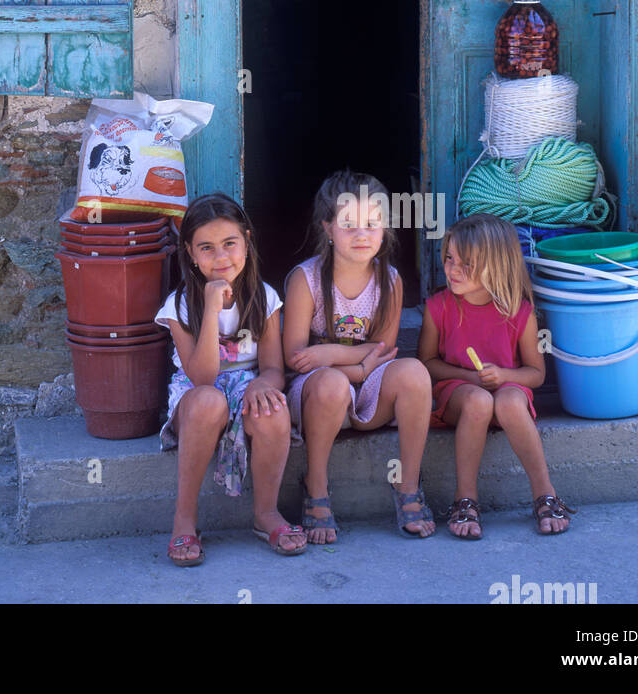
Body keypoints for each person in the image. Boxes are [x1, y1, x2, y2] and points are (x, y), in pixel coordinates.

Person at [283, 169, 436, 541]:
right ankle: (316, 487)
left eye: (372, 223)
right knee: (332, 383)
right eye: (349, 224)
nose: (362, 234)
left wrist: (333, 353)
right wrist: (360, 361)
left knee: (414, 372)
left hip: (367, 390)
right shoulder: (306, 280)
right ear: (327, 229)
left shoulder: (391, 281)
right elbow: (296, 358)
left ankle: (408, 486)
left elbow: (382, 353)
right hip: (317, 395)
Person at [156, 192, 306, 565]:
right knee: (210, 400)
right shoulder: (178, 305)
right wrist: (209, 307)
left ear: (247, 242)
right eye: (206, 248)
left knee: (272, 407)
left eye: (229, 244)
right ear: (190, 253)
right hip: (196, 392)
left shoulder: (264, 298)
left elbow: (274, 369)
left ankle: (266, 513)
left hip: (245, 384)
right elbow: (203, 377)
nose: (221, 258)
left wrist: (262, 384)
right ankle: (184, 520)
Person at [418, 213, 576, 538]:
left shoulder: (519, 313)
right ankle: (465, 500)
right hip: (459, 395)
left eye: (467, 263)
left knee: (510, 401)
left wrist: (504, 375)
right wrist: (472, 378)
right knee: (478, 401)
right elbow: (427, 364)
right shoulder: (439, 307)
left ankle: (545, 493)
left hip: (507, 392)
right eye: (449, 258)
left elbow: (535, 374)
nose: (452, 269)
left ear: (497, 264)